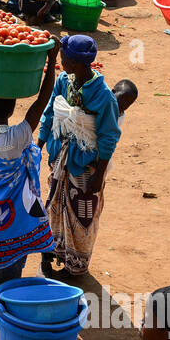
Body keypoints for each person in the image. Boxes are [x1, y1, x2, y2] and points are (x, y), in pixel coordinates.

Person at [0, 52, 58, 324]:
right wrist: (51, 61)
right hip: (11, 207)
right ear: (13, 109)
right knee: (11, 252)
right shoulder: (20, 135)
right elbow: (43, 101)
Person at [37, 35, 121, 277]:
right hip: (60, 158)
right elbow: (51, 112)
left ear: (76, 62)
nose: (61, 62)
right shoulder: (64, 80)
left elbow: (108, 137)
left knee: (81, 214)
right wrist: (40, 144)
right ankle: (53, 253)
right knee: (55, 205)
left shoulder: (103, 96)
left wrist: (99, 175)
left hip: (86, 165)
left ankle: (76, 265)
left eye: (64, 58)